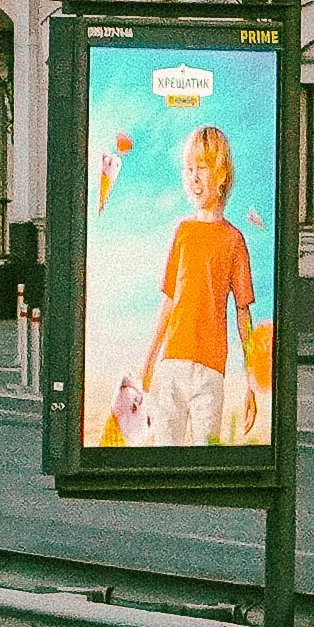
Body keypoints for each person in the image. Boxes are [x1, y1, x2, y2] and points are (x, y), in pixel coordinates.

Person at [123, 120, 262, 449]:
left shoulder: (234, 240)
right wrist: (145, 367)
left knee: (205, 457)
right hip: (171, 366)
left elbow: (244, 317)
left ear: (222, 175)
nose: (193, 178)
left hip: (211, 373)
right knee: (165, 454)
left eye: (202, 168)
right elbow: (168, 304)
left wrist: (251, 385)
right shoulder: (182, 233)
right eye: (188, 169)